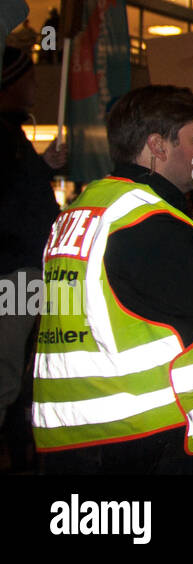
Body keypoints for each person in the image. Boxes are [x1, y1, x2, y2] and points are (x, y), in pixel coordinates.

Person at [32, 85, 193, 473]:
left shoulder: (87, 210)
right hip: (141, 438)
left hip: (80, 435)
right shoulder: (147, 224)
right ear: (158, 146)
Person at [0, 45, 65, 469]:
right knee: (8, 369)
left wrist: (42, 167)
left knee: (17, 368)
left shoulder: (12, 136)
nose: (36, 86)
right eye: (30, 77)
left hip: (21, 269)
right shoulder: (4, 136)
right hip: (16, 273)